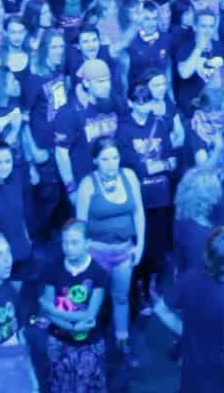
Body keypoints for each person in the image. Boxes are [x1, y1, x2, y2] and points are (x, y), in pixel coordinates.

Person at [155, 225, 224, 390]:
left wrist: (187, 331)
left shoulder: (190, 276)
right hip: (218, 383)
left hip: (190, 375)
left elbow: (161, 309)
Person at [73, 137, 144, 359]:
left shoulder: (129, 177)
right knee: (93, 301)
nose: (111, 163)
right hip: (96, 252)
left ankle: (121, 342)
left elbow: (138, 212)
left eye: (115, 157)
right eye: (105, 159)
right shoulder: (87, 184)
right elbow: (80, 224)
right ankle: (89, 345)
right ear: (95, 160)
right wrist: (82, 258)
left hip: (124, 250)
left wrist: (140, 243)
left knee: (121, 298)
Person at [39, 220, 110, 393]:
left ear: (88, 243)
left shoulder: (98, 274)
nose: (68, 247)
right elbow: (48, 313)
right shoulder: (52, 269)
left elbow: (89, 314)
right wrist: (71, 327)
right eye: (65, 242)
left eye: (74, 243)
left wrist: (55, 311)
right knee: (59, 384)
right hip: (59, 340)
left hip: (89, 343)